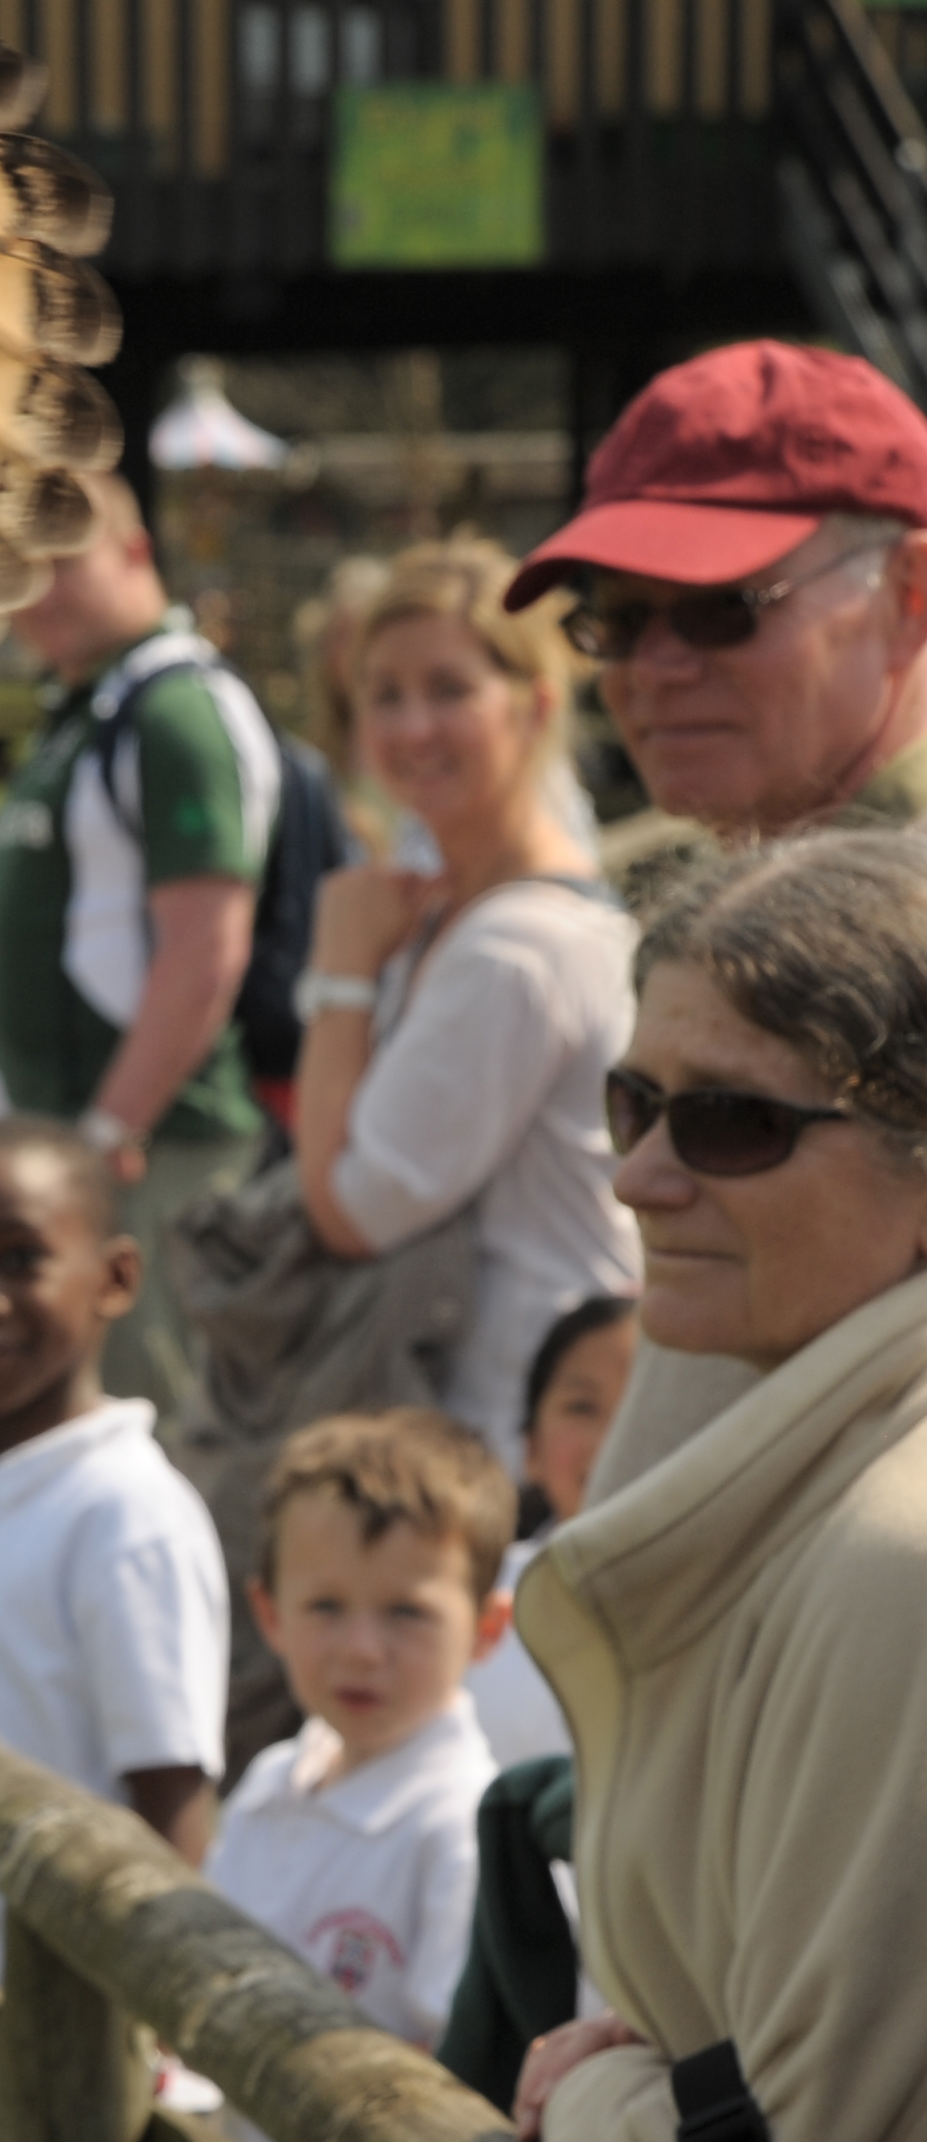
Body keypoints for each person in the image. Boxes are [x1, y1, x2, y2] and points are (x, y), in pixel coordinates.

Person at [508, 830, 927, 2139]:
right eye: (632, 1102)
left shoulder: (899, 1560)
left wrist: (595, 2094)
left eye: (730, 1122)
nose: (637, 1176)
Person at [506, 342, 927, 1510]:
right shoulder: (739, 879)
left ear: (910, 594)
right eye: (617, 618)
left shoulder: (900, 920)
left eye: (722, 609)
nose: (654, 666)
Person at [0, 1117, 228, 2138]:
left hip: (56, 2052)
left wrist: (133, 2037)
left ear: (115, 1278)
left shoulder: (125, 1514)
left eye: (20, 1258)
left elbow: (170, 1803)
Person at [291, 538, 641, 1467]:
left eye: (449, 689)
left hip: (523, 1438)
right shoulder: (454, 912)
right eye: (383, 694)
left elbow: (349, 1211)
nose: (412, 727)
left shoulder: (516, 950)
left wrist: (339, 974)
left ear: (534, 704)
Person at [0, 475, 279, 1418]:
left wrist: (112, 1129)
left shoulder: (171, 710)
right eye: (15, 572)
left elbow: (206, 945)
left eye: (61, 561)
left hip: (150, 1152)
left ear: (135, 551)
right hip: (78, 1141)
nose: (36, 592)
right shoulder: (88, 706)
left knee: (153, 1417)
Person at [206, 1410, 512, 2076]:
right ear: (270, 1613)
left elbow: (456, 2063)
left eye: (407, 1612)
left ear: (487, 1628)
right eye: (325, 1606)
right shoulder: (271, 1783)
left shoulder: (462, 1829)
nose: (362, 1651)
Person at [461, 1297, 633, 1769]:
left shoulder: (728, 1616)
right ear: (531, 1446)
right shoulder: (468, 1593)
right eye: (582, 1407)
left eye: (643, 1408)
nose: (612, 1440)